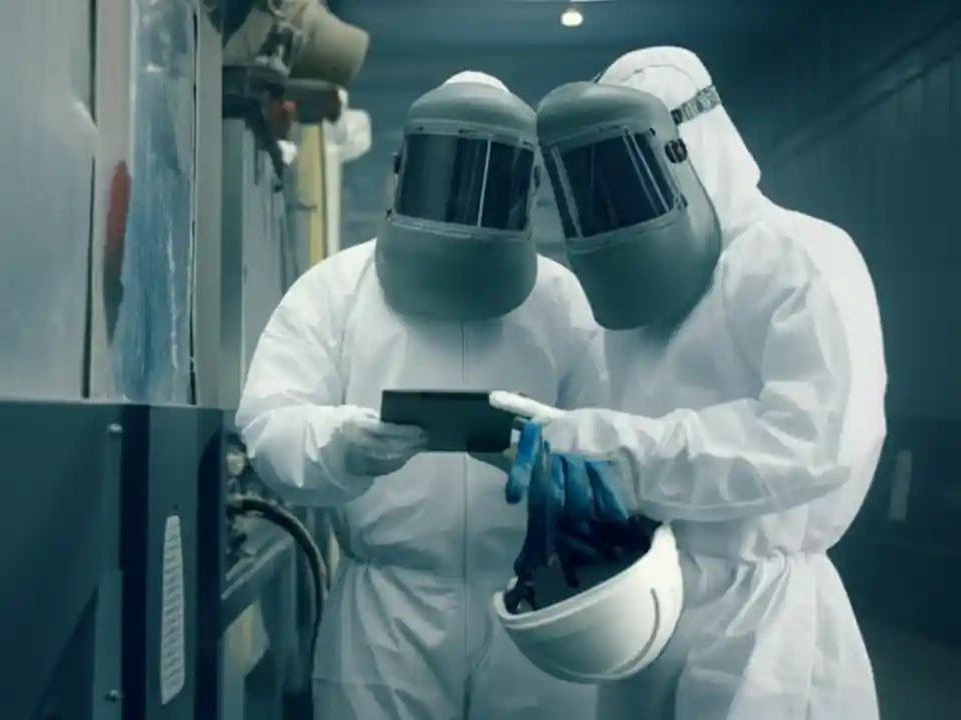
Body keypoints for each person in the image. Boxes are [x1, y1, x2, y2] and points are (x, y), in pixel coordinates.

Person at [491, 46, 886, 719]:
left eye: (619, 165)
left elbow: (817, 444)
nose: (609, 194)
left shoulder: (796, 254)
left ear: (685, 142)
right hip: (650, 604)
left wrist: (618, 452)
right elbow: (638, 453)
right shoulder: (636, 298)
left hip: (763, 623)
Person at [236, 71, 604, 719]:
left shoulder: (561, 301)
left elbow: (614, 442)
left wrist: (555, 458)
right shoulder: (338, 290)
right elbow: (269, 424)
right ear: (405, 170)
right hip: (388, 612)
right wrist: (341, 442)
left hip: (536, 601)